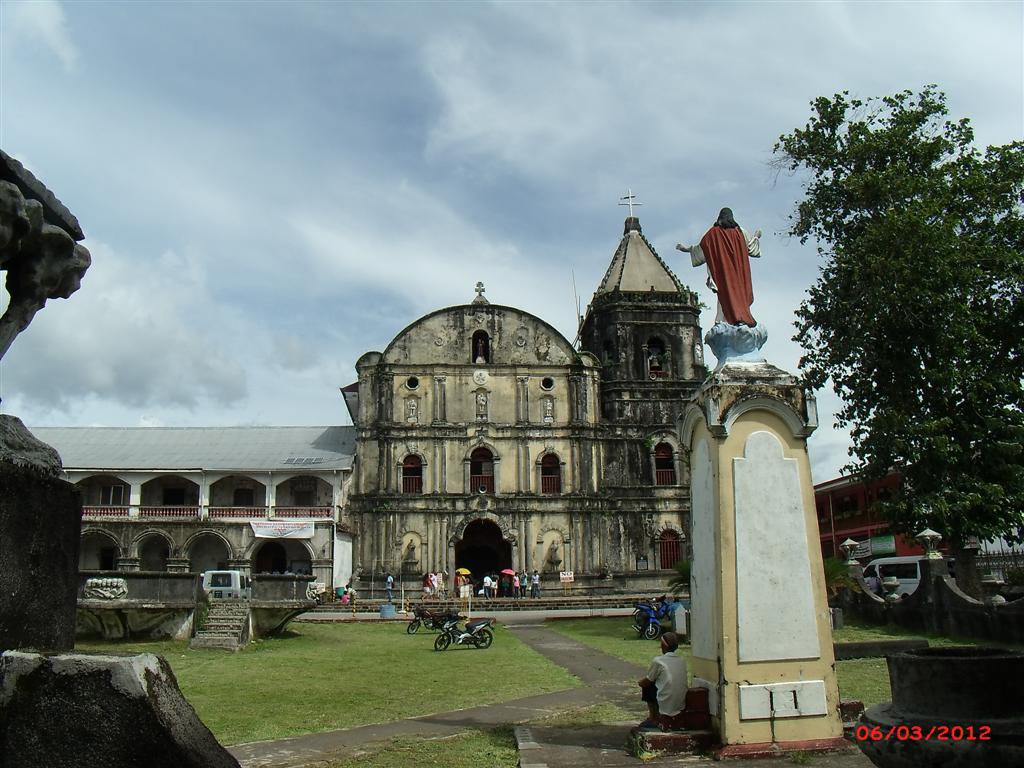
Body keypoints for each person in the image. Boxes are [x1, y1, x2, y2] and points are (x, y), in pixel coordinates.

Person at [676, 207, 762, 327]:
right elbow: (751, 248)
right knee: (738, 295)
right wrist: (757, 236)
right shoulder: (740, 232)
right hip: (738, 275)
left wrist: (686, 249)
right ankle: (739, 317)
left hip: (724, 274)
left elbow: (701, 249)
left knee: (725, 295)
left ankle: (728, 320)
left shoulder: (714, 233)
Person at [637, 632, 687, 729]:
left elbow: (648, 681)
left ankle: (653, 718)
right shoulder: (682, 660)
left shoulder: (658, 661)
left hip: (665, 702)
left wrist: (640, 683)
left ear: (663, 645)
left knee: (647, 686)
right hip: (680, 703)